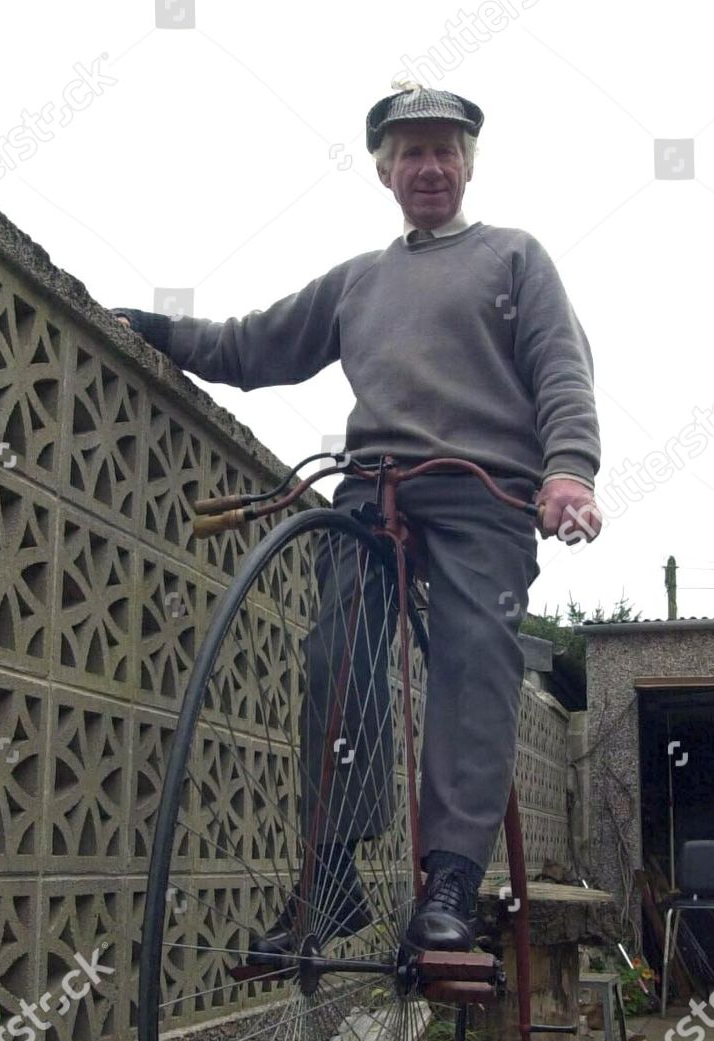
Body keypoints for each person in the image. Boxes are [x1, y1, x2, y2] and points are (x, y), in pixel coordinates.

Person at [112, 84, 602, 954]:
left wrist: (568, 470)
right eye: (411, 151)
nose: (429, 166)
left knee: (475, 658)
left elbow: (561, 372)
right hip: (370, 490)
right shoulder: (357, 283)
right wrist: (153, 329)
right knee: (333, 655)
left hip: (481, 495)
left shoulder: (512, 259)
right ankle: (332, 874)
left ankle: (448, 878)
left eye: (444, 150)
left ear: (465, 166)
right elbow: (250, 346)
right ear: (384, 171)